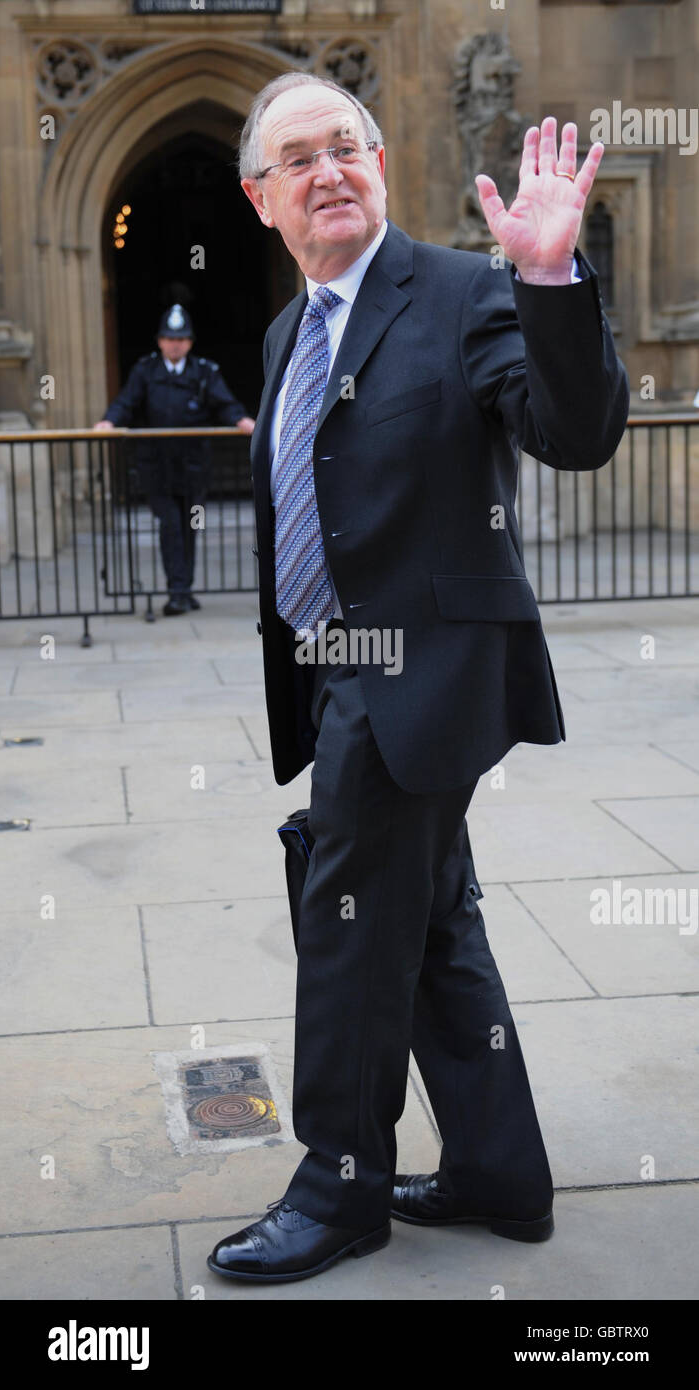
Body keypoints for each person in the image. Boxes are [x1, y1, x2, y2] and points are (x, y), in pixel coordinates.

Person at [205, 73, 629, 1284]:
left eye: (346, 146)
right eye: (298, 158)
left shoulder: (460, 290)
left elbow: (574, 429)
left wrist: (546, 277)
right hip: (340, 670)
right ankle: (500, 1166)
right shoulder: (290, 330)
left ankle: (336, 1187)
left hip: (421, 672)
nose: (328, 170)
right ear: (259, 199)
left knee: (345, 919)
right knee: (430, 915)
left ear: (381, 163)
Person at [94, 305, 255, 615]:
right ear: (159, 342)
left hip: (193, 466)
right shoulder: (145, 371)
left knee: (188, 526)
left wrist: (242, 421)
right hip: (158, 467)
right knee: (170, 525)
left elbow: (226, 403)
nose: (175, 344)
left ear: (190, 342)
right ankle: (177, 590)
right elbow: (126, 402)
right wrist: (109, 421)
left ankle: (184, 589)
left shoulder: (205, 371)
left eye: (181, 338)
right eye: (169, 338)